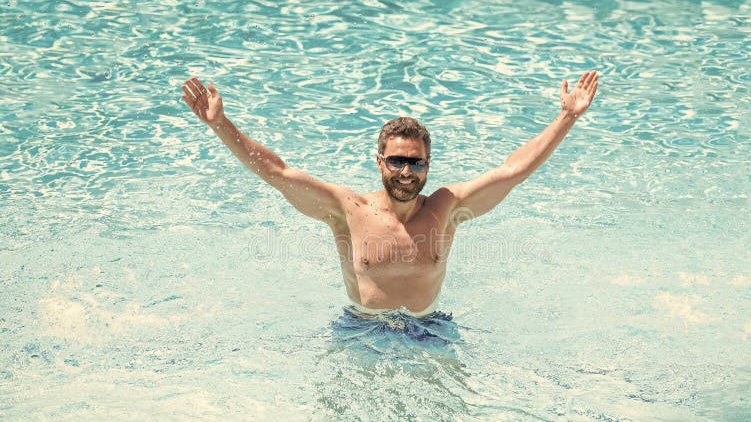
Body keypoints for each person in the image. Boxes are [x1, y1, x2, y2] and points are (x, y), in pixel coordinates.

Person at [181, 71, 598, 319]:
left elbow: (513, 171)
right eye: (397, 161)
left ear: (428, 166)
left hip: (430, 328)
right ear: (380, 162)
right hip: (361, 328)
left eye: (416, 163)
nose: (405, 171)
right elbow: (277, 171)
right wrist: (221, 125)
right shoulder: (346, 209)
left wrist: (566, 117)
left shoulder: (446, 208)